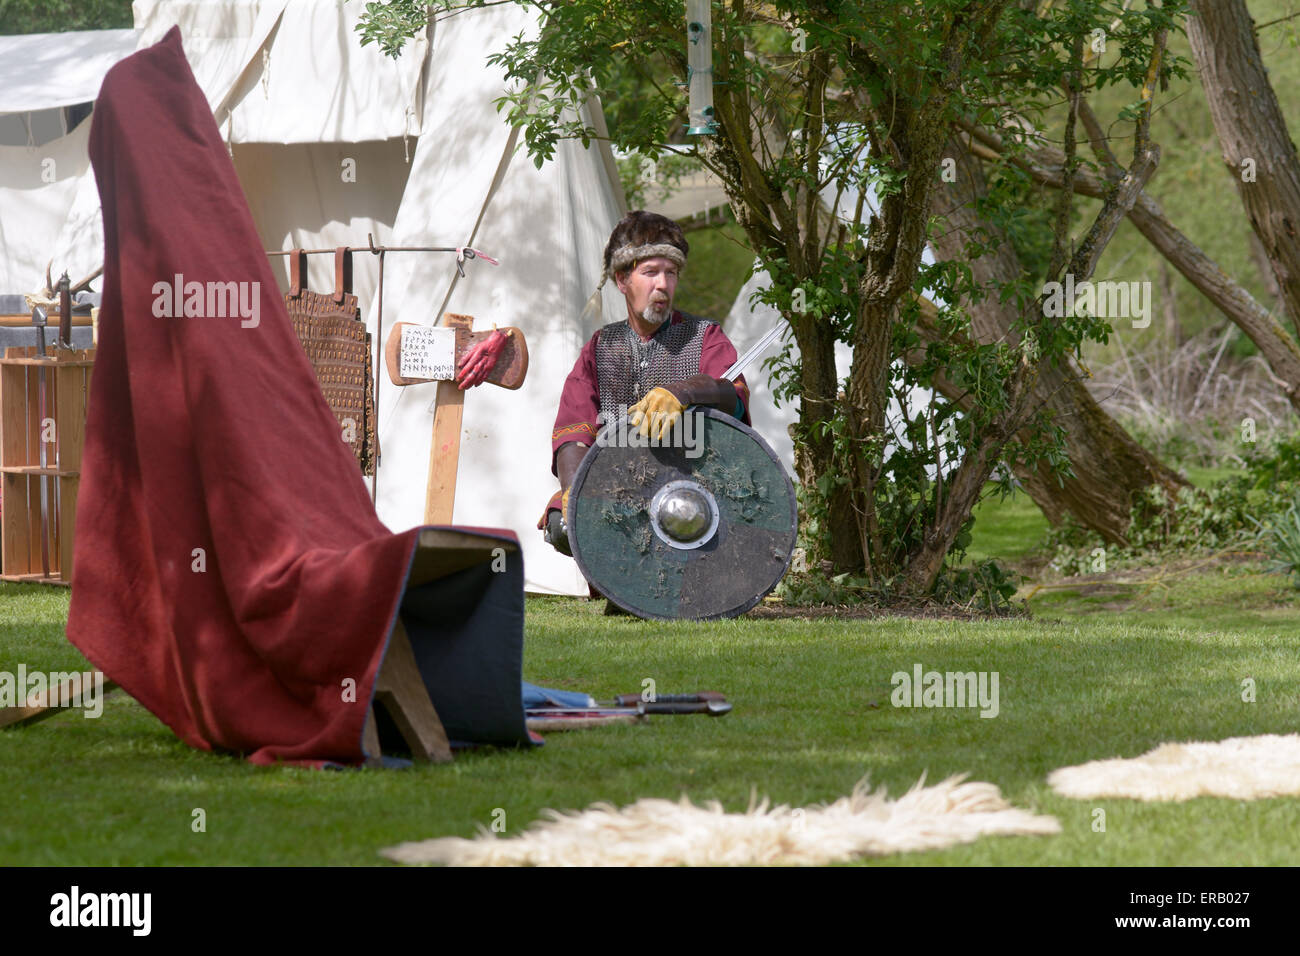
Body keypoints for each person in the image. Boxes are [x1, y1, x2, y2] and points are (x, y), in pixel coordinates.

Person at [541, 211, 750, 557]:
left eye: (670, 273)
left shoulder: (705, 336)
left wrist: (684, 391)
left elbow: (734, 396)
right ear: (622, 281)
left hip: (694, 485)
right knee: (561, 524)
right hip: (621, 483)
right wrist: (572, 490)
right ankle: (620, 585)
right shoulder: (601, 347)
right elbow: (572, 428)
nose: (663, 285)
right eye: (651, 273)